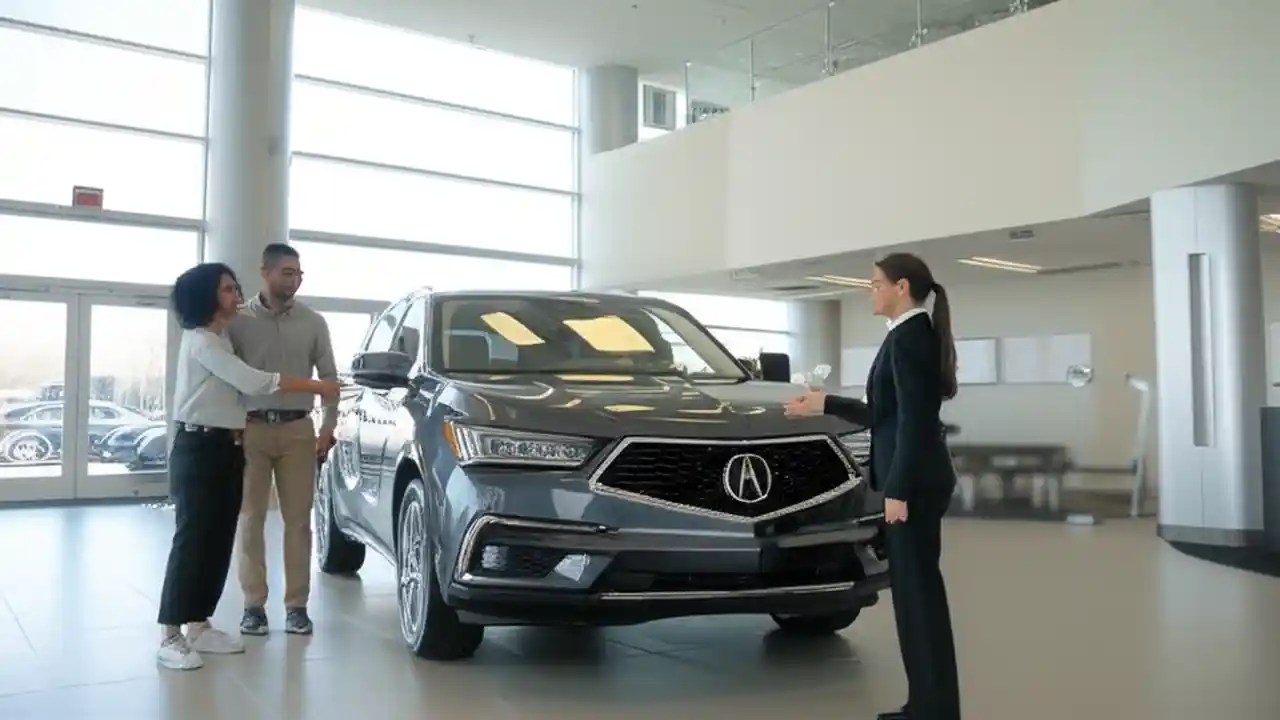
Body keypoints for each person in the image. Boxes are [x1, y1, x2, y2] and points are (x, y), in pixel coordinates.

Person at [785, 252, 961, 720]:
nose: (870, 290)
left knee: (918, 599)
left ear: (901, 287)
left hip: (915, 484)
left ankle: (932, 710)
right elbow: (883, 413)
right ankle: (928, 705)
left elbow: (916, 423)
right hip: (916, 479)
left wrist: (898, 490)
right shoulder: (907, 336)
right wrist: (824, 403)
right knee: (915, 597)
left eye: (875, 283)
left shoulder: (909, 339)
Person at [158, 262, 340, 671]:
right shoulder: (201, 341)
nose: (235, 294)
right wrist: (316, 387)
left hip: (226, 445)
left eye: (234, 287)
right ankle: (170, 634)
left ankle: (199, 626)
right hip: (197, 446)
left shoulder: (221, 338)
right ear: (205, 297)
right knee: (192, 542)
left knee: (219, 539)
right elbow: (254, 382)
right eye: (225, 289)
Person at [227, 243, 338, 636]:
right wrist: (230, 424)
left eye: (299, 273)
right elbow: (226, 379)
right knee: (251, 518)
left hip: (298, 431)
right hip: (250, 430)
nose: (295, 279)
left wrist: (328, 427)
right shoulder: (237, 322)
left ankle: (296, 606)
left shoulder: (313, 322)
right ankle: (253, 605)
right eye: (288, 272)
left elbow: (329, 380)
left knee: (298, 521)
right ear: (266, 272)